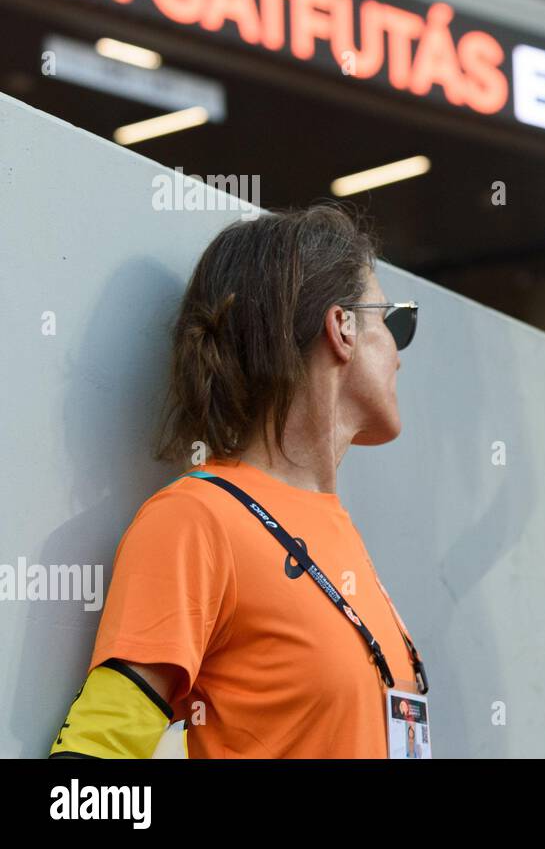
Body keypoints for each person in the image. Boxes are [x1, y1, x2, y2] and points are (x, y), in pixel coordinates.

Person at [49, 204, 427, 759]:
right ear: (341, 327)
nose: (399, 354)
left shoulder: (333, 527)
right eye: (393, 321)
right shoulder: (198, 519)